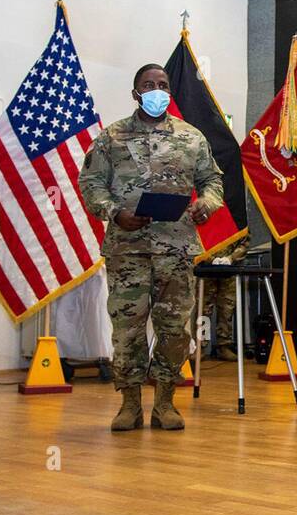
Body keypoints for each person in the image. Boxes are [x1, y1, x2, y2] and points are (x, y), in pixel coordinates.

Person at [79, 62, 223, 432]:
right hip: (127, 249)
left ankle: (164, 402)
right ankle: (129, 403)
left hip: (176, 249)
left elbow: (213, 182)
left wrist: (205, 205)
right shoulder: (111, 137)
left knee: (176, 330)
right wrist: (114, 213)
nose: (157, 89)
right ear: (135, 93)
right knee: (127, 329)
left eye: (162, 84)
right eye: (148, 84)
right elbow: (91, 183)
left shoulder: (192, 137)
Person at [201, 238, 249, 360]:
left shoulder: (237, 218)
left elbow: (244, 242)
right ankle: (200, 346)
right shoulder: (202, 218)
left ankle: (224, 346)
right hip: (205, 268)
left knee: (227, 309)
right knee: (203, 310)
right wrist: (210, 259)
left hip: (229, 269)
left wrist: (231, 258)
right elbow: (194, 239)